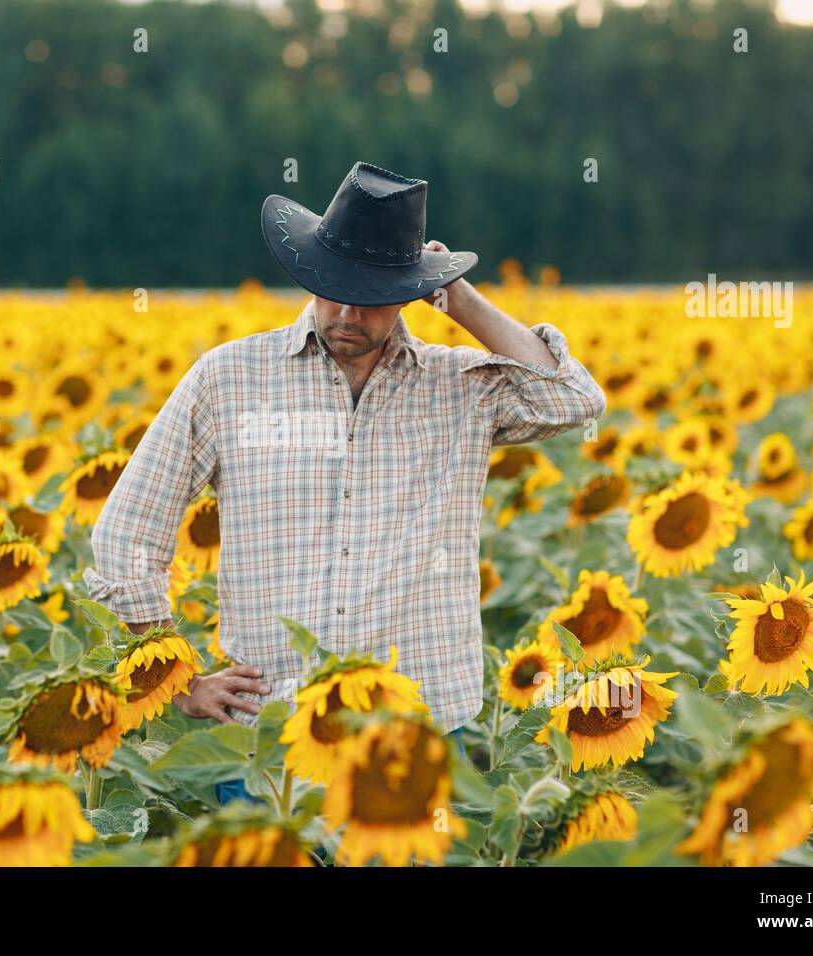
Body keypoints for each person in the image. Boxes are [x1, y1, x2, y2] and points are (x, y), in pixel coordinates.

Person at [84, 162, 606, 801]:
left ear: (411, 292)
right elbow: (127, 532)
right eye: (332, 288)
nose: (347, 312)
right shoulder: (230, 380)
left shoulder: (461, 388)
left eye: (373, 294)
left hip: (419, 735)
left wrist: (460, 297)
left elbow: (574, 397)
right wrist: (177, 677)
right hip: (269, 741)